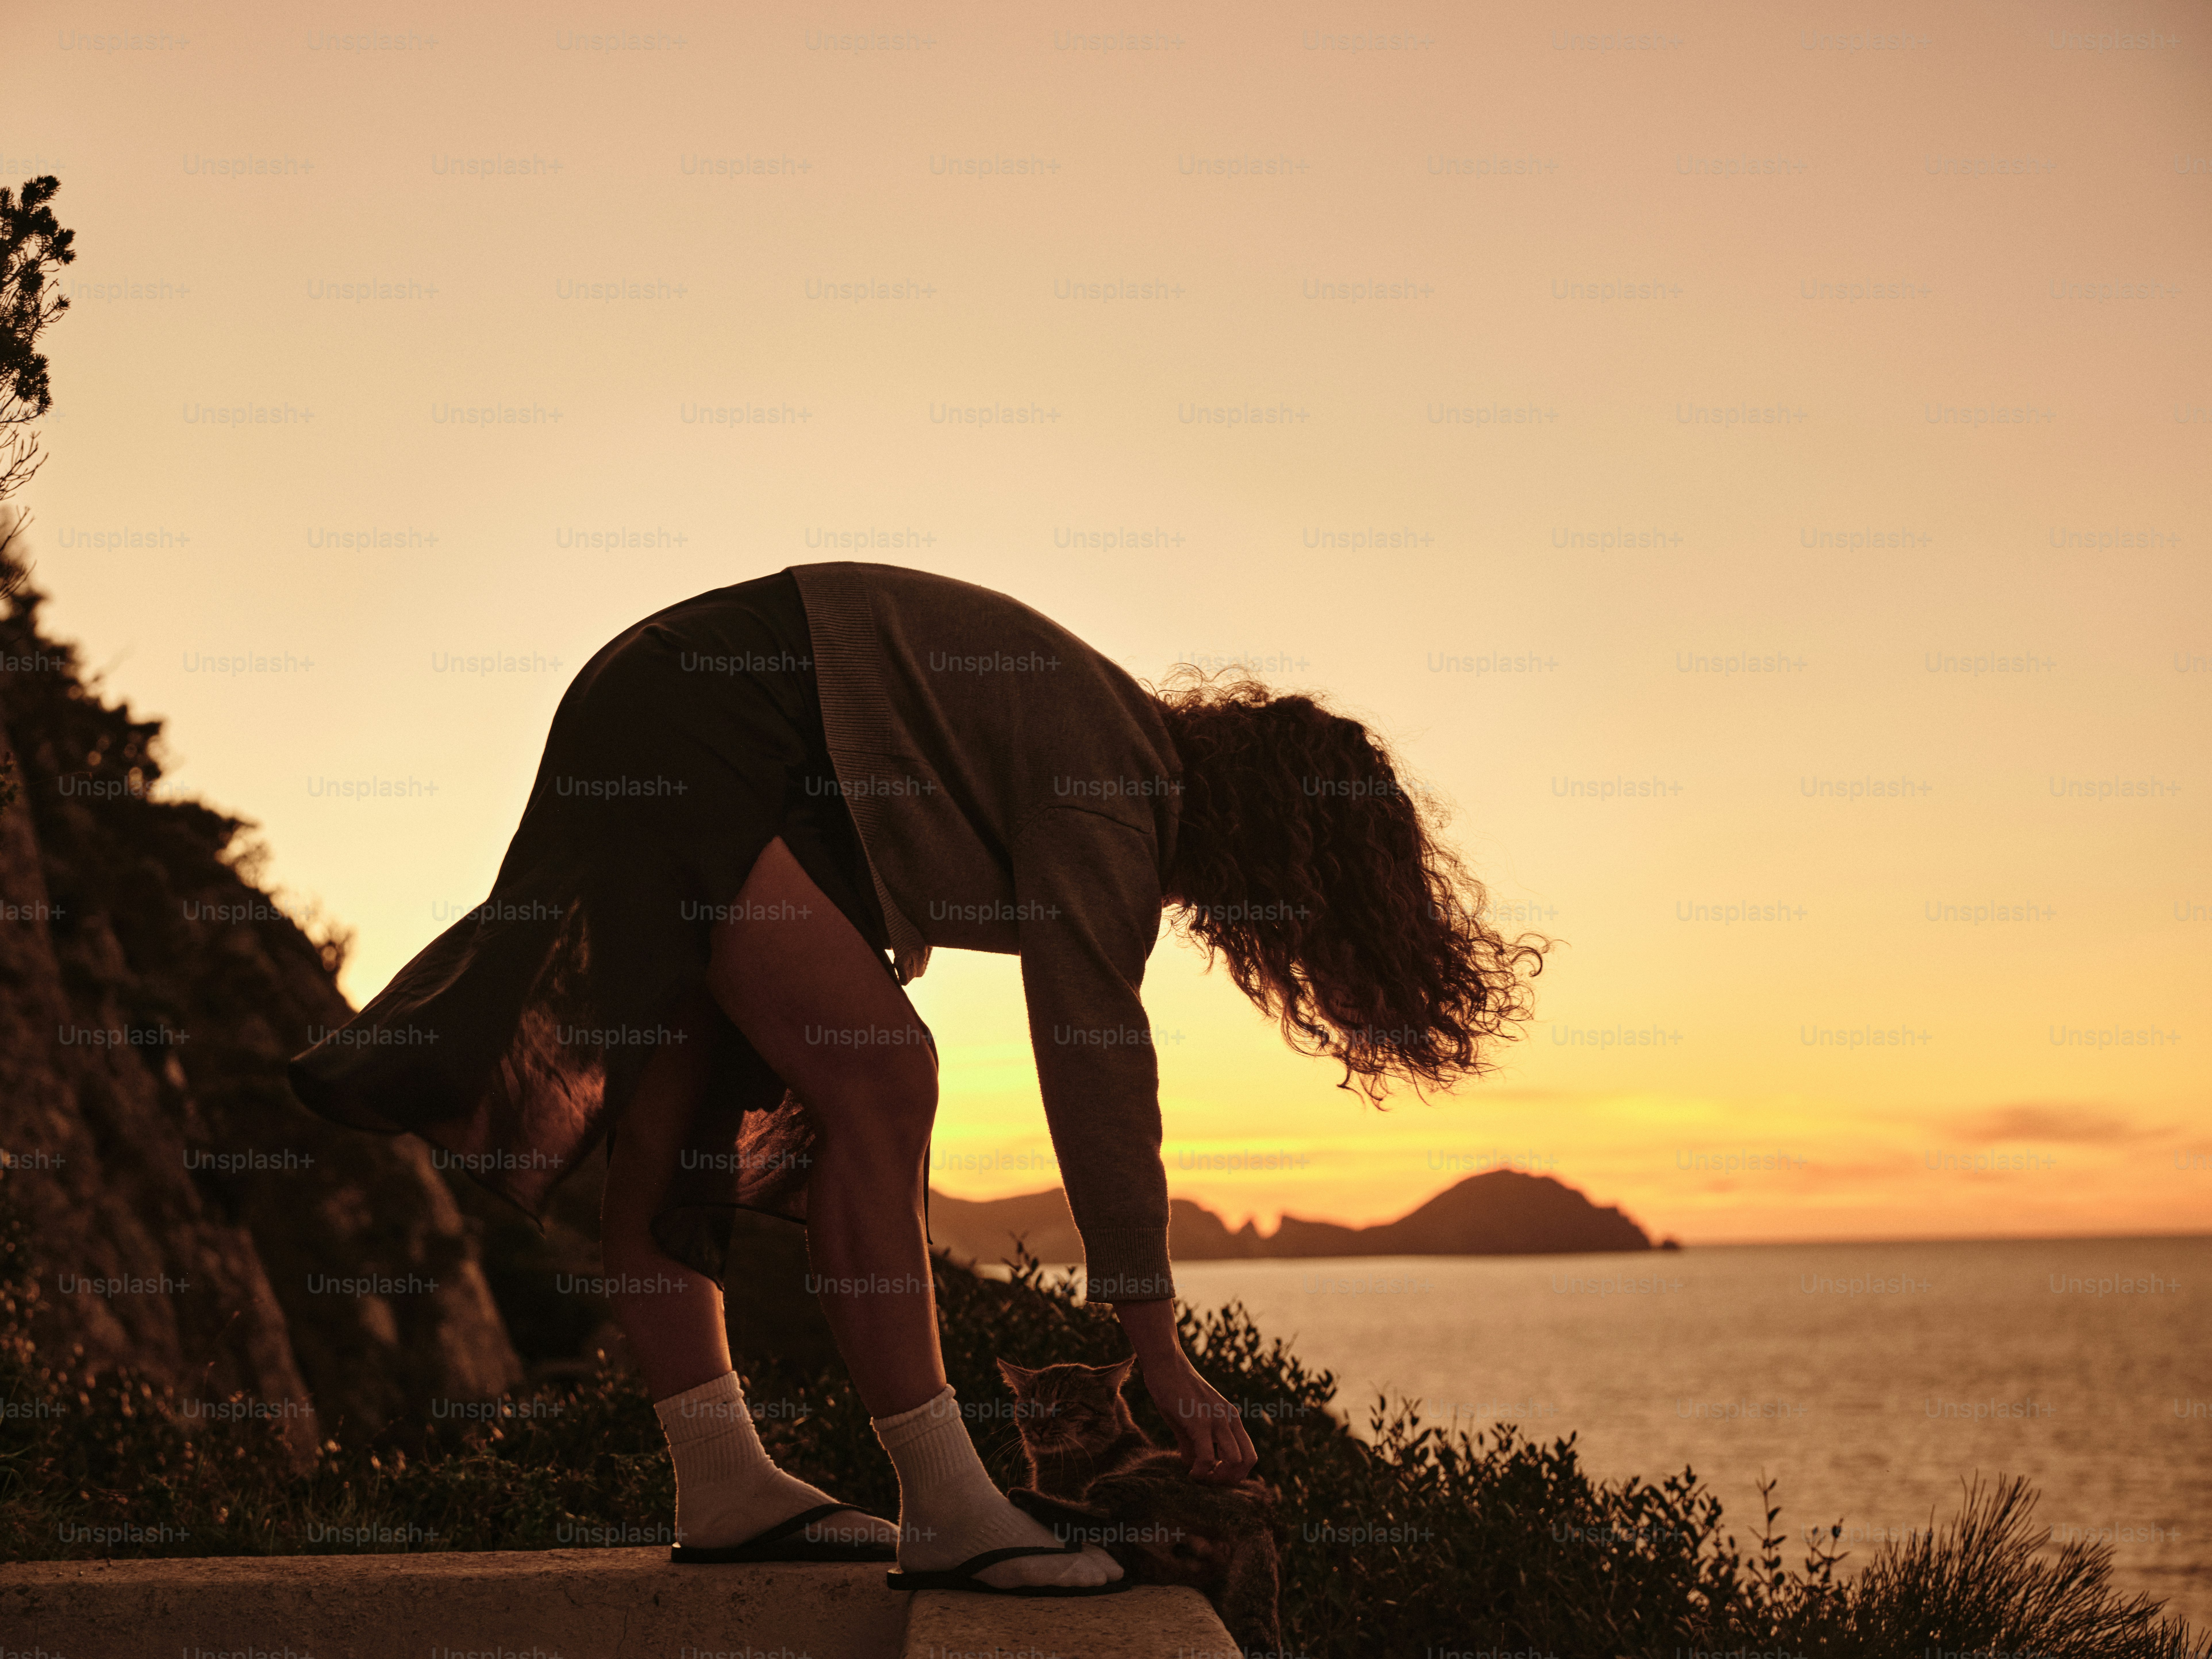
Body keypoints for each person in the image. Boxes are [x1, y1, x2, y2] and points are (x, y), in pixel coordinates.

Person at [288, 562, 1546, 1595]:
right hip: (702, 716)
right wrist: (1156, 1346)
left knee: (676, 1128)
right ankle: (946, 1502)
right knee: (884, 1075)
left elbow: (904, 758)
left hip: (675, 701)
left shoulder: (1103, 748)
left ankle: (716, 1477)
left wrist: (882, 908)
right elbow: (1095, 1054)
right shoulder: (1121, 788)